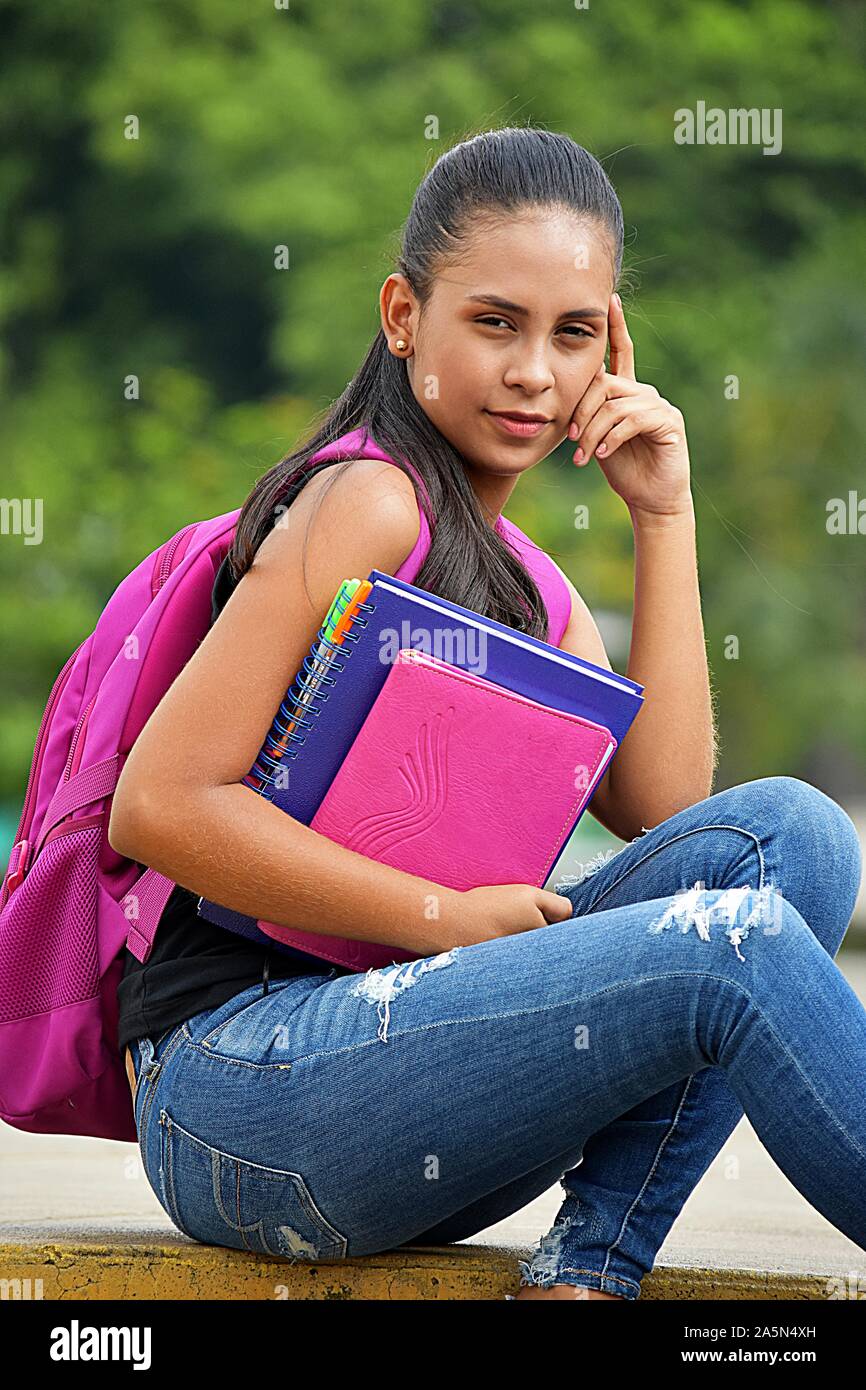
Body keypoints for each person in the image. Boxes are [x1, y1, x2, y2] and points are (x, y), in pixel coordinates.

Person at [109, 126, 865, 1301]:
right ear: (403, 316)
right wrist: (446, 916)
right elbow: (157, 805)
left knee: (798, 838)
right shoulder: (364, 501)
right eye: (493, 322)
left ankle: (584, 1270)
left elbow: (671, 817)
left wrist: (662, 518)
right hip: (241, 1089)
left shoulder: (537, 592)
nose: (531, 374)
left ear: (609, 347)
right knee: (738, 946)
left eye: (570, 335)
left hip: (421, 1080)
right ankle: (593, 1271)